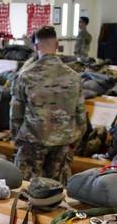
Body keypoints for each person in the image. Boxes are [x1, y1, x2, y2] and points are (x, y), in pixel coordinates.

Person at [9, 25, 85, 183]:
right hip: (63, 144)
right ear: (57, 45)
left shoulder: (26, 76)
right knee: (58, 193)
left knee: (27, 193)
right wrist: (71, 142)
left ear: (36, 47)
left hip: (32, 142)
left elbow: (15, 116)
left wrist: (19, 139)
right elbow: (81, 118)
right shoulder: (74, 77)